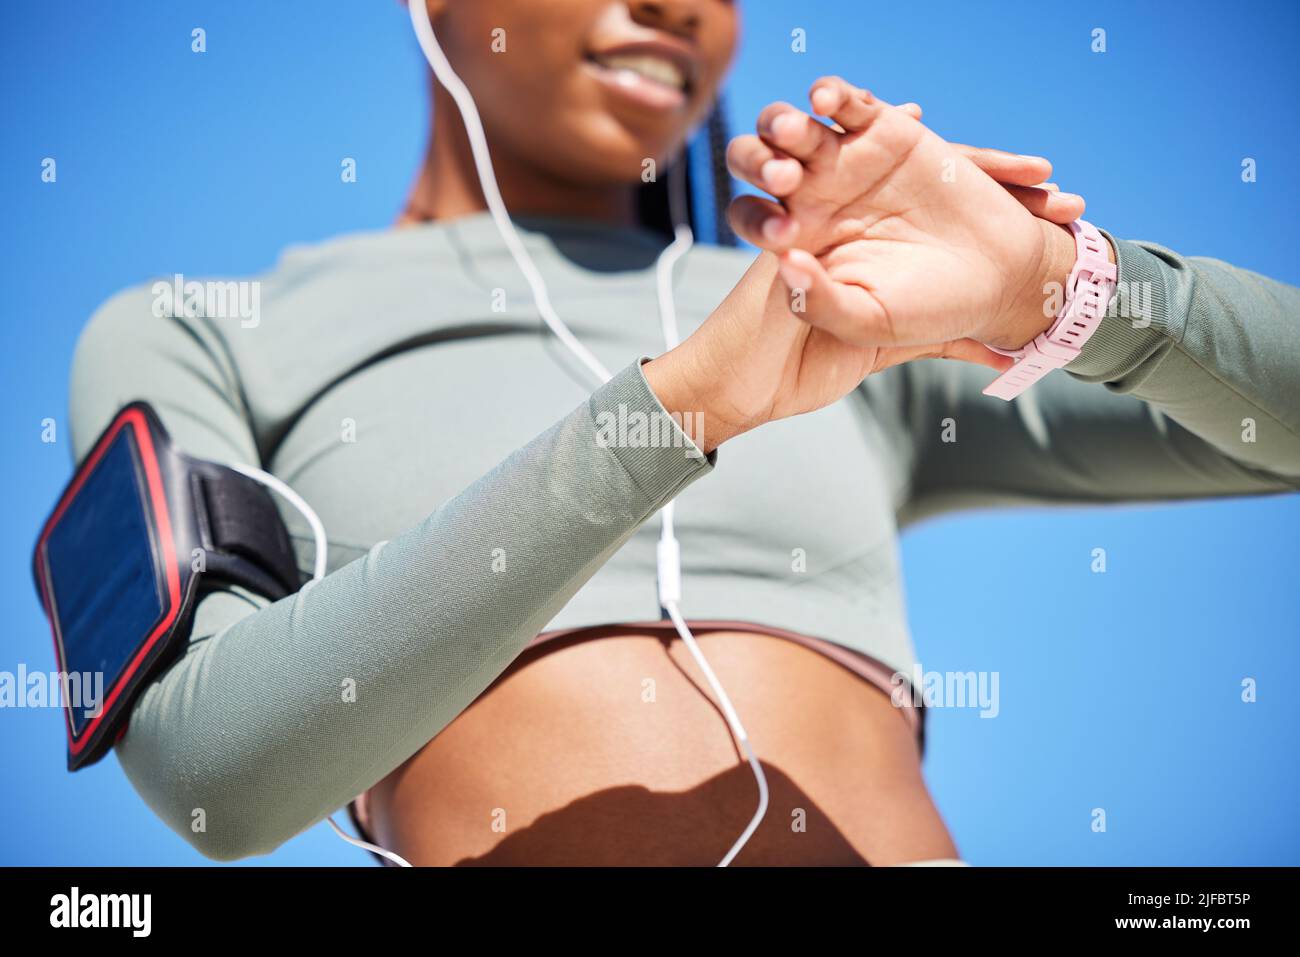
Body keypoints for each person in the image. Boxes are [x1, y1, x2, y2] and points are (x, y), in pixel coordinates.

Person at [68, 0, 1298, 865]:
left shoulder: (846, 315)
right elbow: (212, 779)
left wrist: (1053, 281)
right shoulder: (205, 329)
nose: (677, 9)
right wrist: (678, 407)